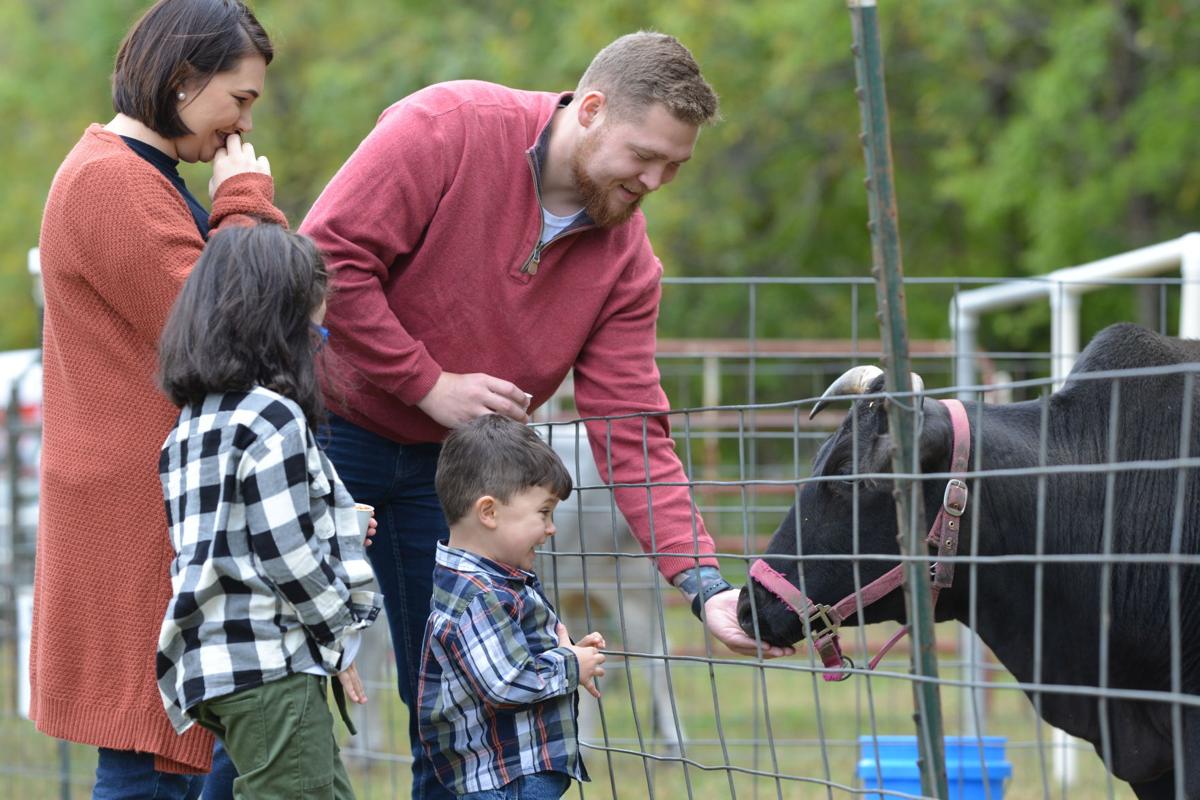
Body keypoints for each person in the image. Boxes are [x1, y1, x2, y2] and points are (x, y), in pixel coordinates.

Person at [299, 31, 793, 798]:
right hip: (331, 435)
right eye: (644, 155)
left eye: (676, 166)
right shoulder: (449, 128)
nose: (657, 180)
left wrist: (702, 582)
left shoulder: (626, 261)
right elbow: (326, 259)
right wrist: (428, 382)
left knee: (461, 710)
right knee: (284, 686)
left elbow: (631, 428)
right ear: (591, 109)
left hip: (457, 486)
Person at [29, 1, 284, 796]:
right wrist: (245, 201)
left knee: (183, 751)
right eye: (237, 100)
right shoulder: (115, 183)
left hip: (151, 497)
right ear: (182, 81)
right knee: (149, 762)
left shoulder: (142, 178)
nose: (242, 125)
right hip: (137, 509)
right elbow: (225, 338)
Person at [155, 223, 382, 799]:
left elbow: (223, 541)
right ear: (277, 329)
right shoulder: (272, 419)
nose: (316, 346)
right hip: (271, 664)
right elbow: (286, 555)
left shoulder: (188, 428)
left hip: (218, 665)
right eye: (314, 331)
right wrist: (340, 629)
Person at [418, 414, 606, 799]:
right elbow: (506, 683)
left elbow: (511, 657)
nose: (552, 527)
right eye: (544, 512)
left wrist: (565, 653)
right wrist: (571, 666)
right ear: (488, 513)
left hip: (511, 775)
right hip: (506, 781)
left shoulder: (493, 583)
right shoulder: (481, 596)